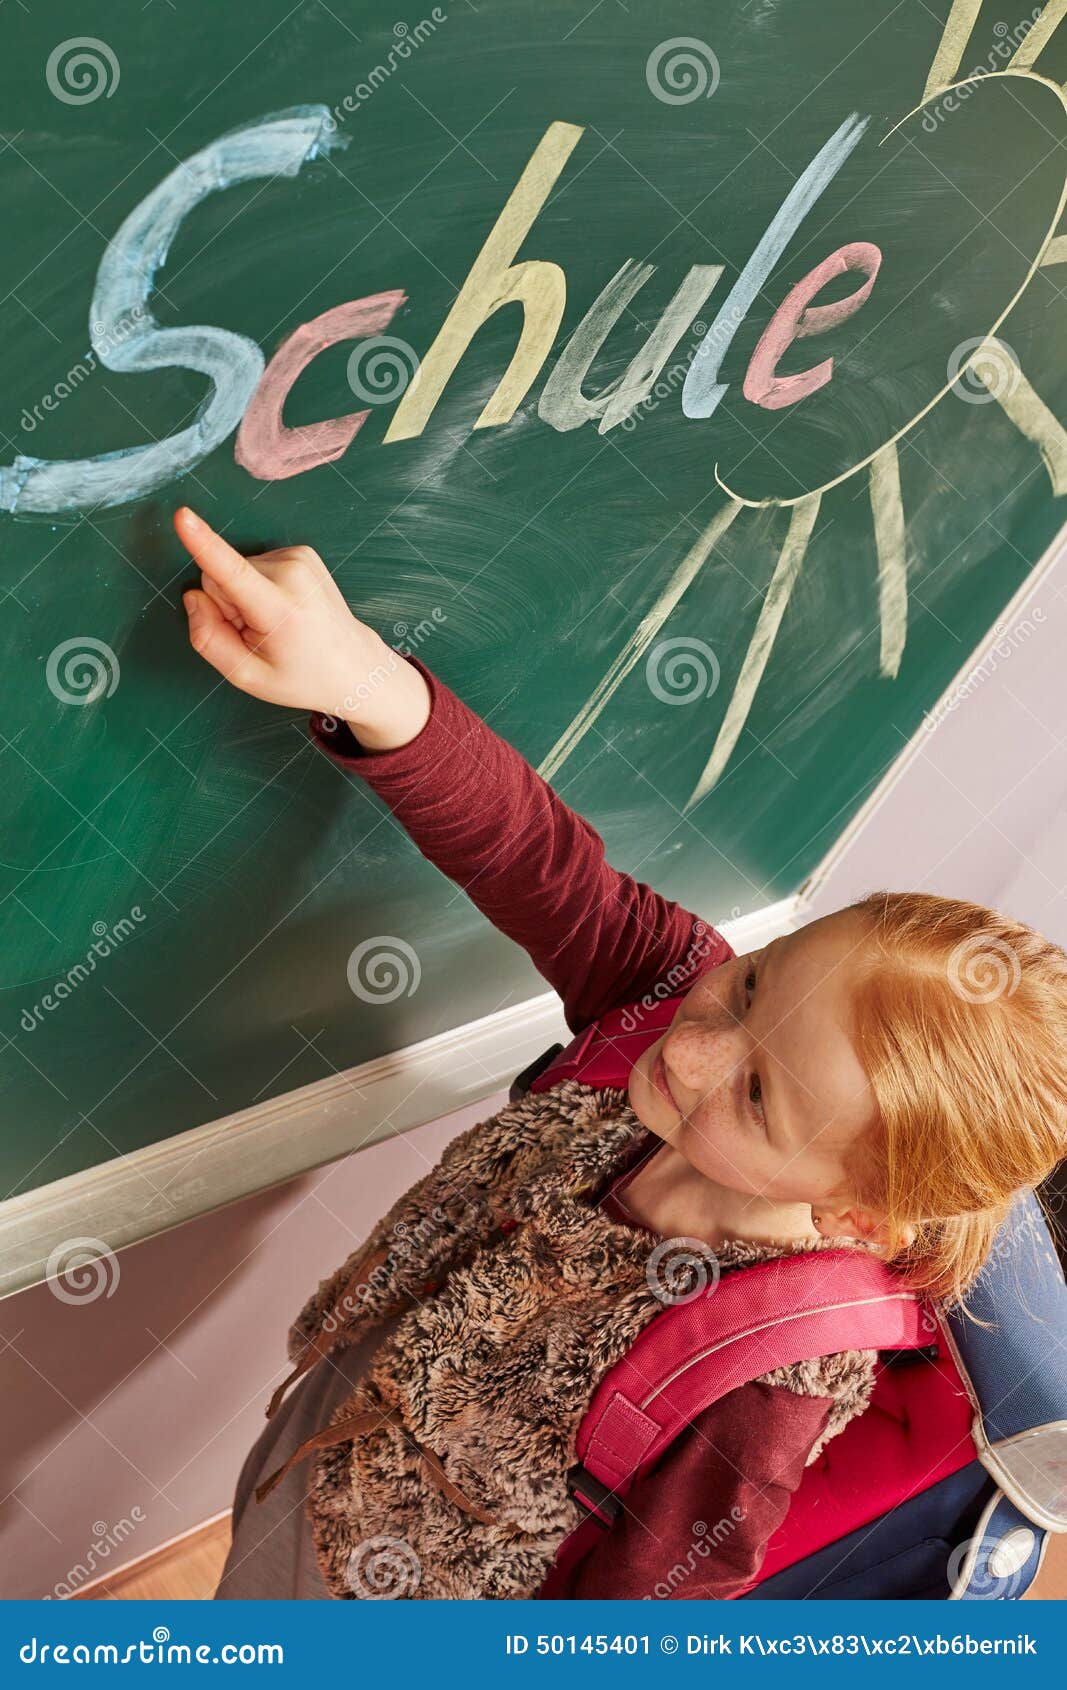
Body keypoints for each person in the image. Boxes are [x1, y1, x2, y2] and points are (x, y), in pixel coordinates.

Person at [173, 507, 1066, 1601]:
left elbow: (639, 1610)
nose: (691, 1049)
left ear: (855, 1218)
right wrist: (358, 676)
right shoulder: (661, 1003)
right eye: (751, 982)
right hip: (328, 1428)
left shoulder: (763, 1384)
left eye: (755, 1094)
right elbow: (536, 859)